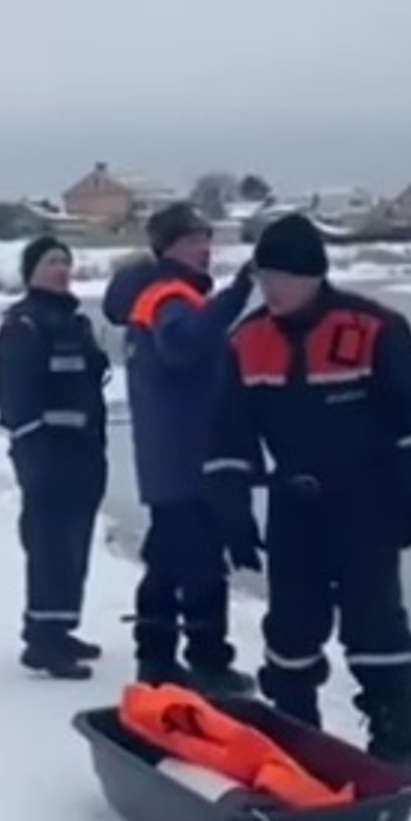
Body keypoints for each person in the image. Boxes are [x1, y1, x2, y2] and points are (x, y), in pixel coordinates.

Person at [202, 213, 411, 774]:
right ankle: (294, 739)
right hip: (295, 508)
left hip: (369, 505)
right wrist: (233, 514)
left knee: (375, 628)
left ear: (314, 275)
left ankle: (395, 743)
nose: (271, 288)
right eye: (264, 276)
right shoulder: (246, 341)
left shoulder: (374, 329)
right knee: (290, 631)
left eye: (282, 277)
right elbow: (226, 437)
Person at [100, 202, 256, 696]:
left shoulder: (160, 296)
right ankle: (207, 661)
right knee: (202, 563)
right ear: (168, 247)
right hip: (189, 458)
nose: (205, 249)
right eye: (193, 241)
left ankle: (157, 660)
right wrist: (238, 295)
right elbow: (184, 347)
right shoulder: (168, 298)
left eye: (207, 239)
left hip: (169, 458)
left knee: (168, 561)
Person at [0, 236, 111, 680]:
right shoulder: (23, 325)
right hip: (48, 455)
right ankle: (42, 641)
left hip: (84, 450)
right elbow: (15, 397)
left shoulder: (75, 323)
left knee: (74, 543)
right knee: (49, 545)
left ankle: (60, 626)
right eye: (51, 261)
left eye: (66, 260)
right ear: (31, 272)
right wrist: (33, 450)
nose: (61, 268)